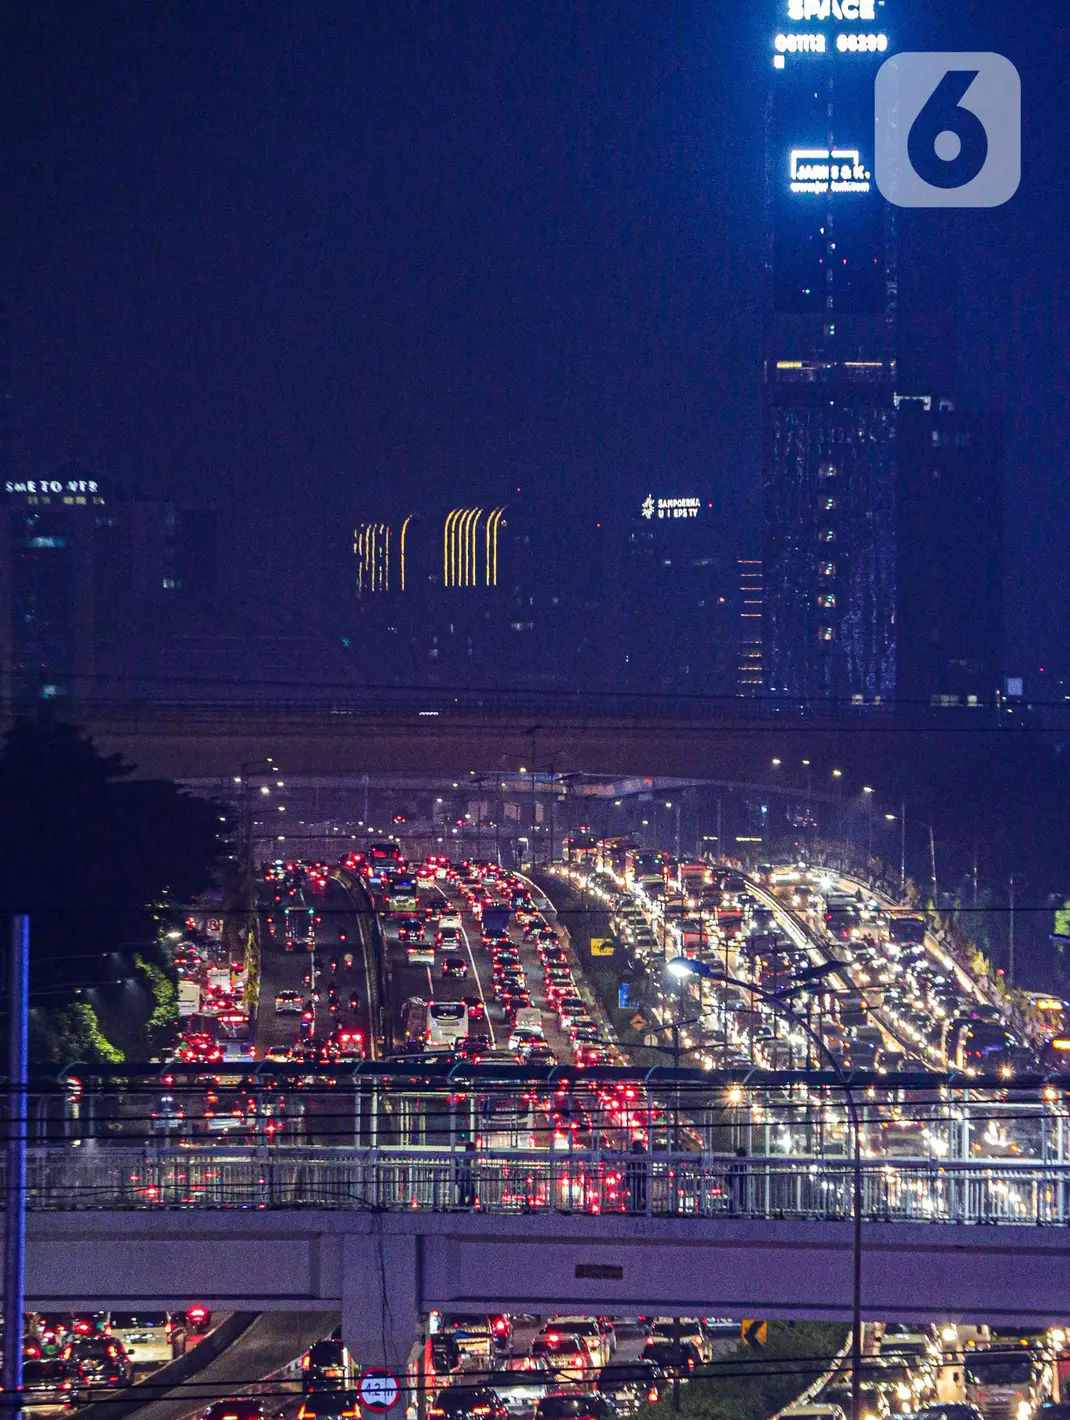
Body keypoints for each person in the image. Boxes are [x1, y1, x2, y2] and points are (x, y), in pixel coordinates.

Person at [626, 1138, 648, 1213]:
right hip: (639, 1177)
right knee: (641, 1193)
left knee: (638, 1194)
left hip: (637, 1177)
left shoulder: (632, 1156)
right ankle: (640, 1208)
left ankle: (636, 1208)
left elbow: (628, 1169)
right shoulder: (642, 1154)